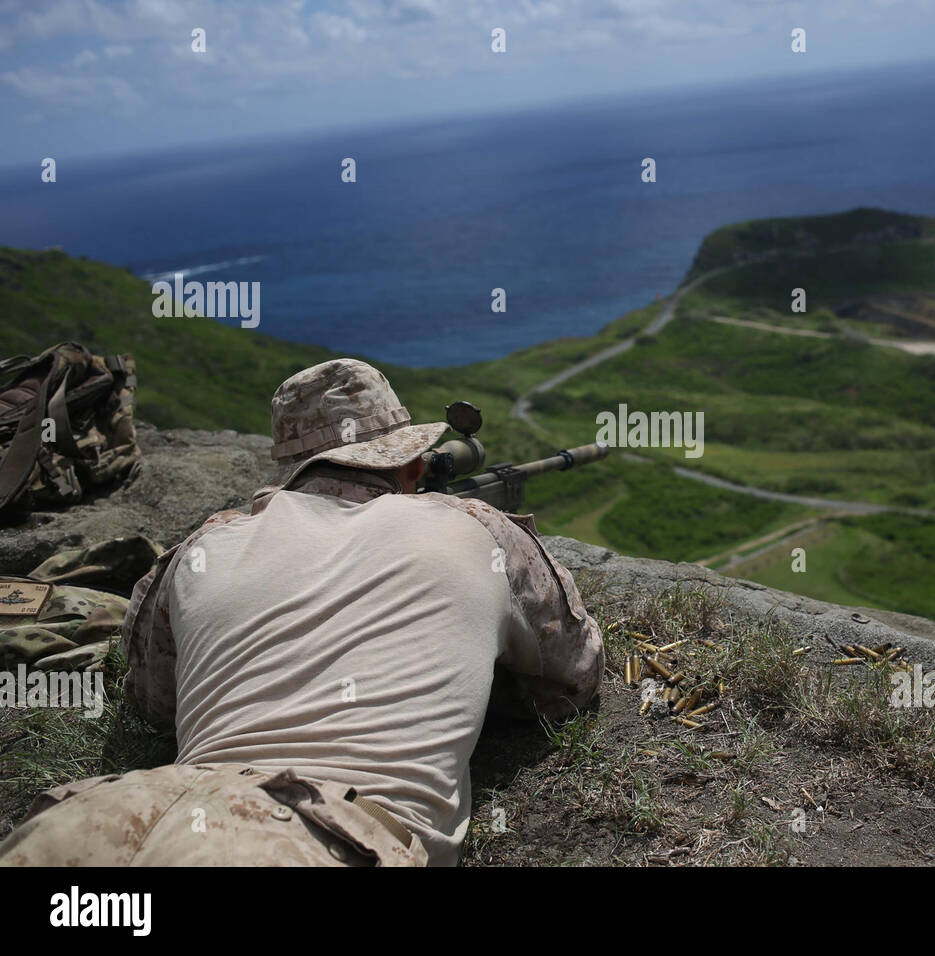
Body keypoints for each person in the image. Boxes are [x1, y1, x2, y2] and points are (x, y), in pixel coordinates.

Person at [0, 359, 604, 867]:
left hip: (99, 815)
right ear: (415, 466)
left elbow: (156, 702)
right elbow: (571, 677)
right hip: (312, 837)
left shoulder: (203, 547)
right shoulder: (476, 528)